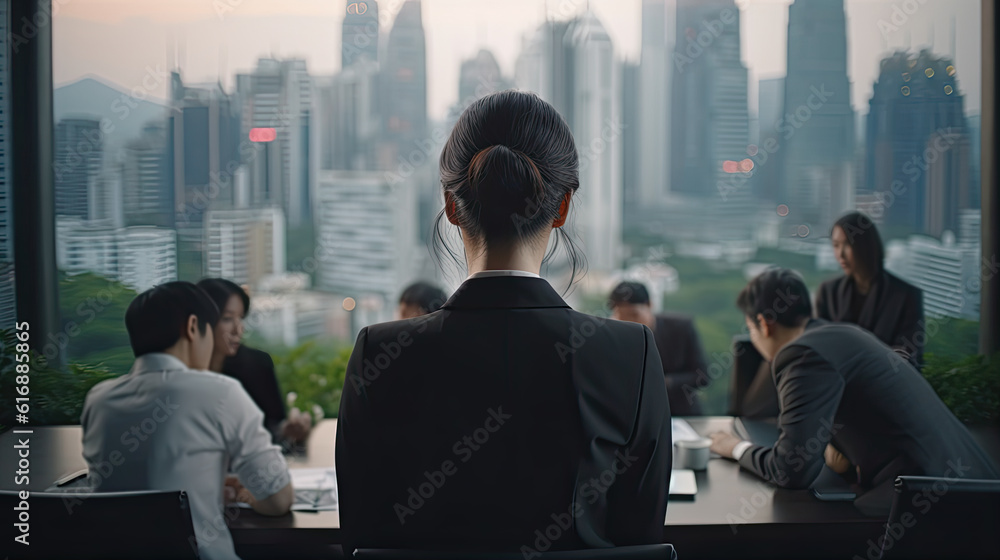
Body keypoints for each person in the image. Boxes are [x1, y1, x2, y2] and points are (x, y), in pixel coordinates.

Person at [337, 90, 672, 554]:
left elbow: (362, 537)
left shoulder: (380, 353)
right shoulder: (630, 354)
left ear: (452, 205)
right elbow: (641, 541)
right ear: (562, 208)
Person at [709, 268, 997, 514]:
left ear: (763, 323)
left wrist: (735, 447)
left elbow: (791, 470)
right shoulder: (841, 334)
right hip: (970, 489)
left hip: (927, 502)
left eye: (751, 327)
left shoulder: (802, 354)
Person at [80, 282, 293, 560]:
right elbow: (278, 500)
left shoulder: (98, 400)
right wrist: (246, 494)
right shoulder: (220, 392)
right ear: (193, 327)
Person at [196, 278, 312, 446]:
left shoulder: (258, 365)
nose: (238, 329)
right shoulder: (182, 372)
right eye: (228, 319)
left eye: (241, 318)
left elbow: (274, 428)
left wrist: (289, 431)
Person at [816, 211, 924, 365]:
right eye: (835, 245)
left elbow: (909, 355)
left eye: (847, 244)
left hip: (887, 383)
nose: (840, 254)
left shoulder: (906, 296)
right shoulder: (828, 292)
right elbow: (818, 345)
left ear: (865, 245)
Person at [609, 281, 707, 415]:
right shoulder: (613, 335)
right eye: (621, 316)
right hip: (635, 414)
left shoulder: (680, 328)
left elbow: (702, 375)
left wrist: (661, 382)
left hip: (679, 411)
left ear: (649, 305)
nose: (628, 322)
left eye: (634, 315)